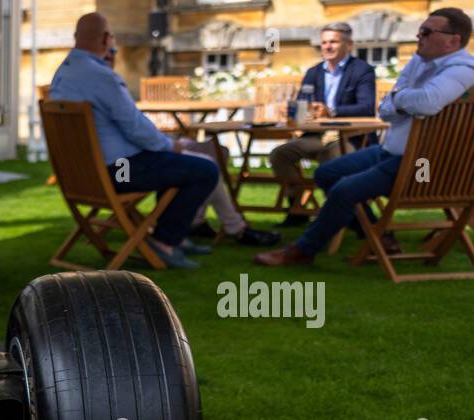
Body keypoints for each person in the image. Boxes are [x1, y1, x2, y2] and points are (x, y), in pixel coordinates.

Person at [256, 8, 474, 268]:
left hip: (420, 165)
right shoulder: (419, 61)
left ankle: (303, 250)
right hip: (390, 151)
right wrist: (400, 101)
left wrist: (398, 100)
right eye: (420, 30)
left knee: (343, 190)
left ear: (453, 40)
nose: (419, 36)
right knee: (326, 173)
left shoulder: (463, 70)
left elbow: (426, 102)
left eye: (427, 32)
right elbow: (384, 108)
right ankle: (378, 236)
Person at [49, 13, 219, 268]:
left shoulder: (63, 73)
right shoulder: (101, 76)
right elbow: (135, 127)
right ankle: (164, 241)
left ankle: (178, 237)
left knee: (170, 163)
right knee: (205, 169)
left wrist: (165, 148)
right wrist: (171, 144)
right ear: (107, 39)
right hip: (118, 173)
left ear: (76, 38)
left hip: (83, 177)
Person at [104, 44, 279, 247]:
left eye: (114, 51)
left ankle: (200, 221)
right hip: (132, 163)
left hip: (135, 156)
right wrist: (168, 145)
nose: (111, 57)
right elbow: (136, 130)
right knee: (207, 161)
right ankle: (234, 228)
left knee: (218, 152)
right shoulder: (110, 89)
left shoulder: (98, 93)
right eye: (107, 52)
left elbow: (136, 130)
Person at [269, 23, 377, 227]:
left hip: (348, 136)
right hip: (316, 136)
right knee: (279, 155)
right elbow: (303, 104)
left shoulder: (362, 71)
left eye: (333, 42)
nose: (327, 47)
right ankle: (297, 206)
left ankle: (342, 214)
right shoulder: (313, 72)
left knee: (332, 160)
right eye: (324, 42)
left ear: (349, 45)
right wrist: (292, 110)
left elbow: (367, 107)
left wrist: (332, 111)